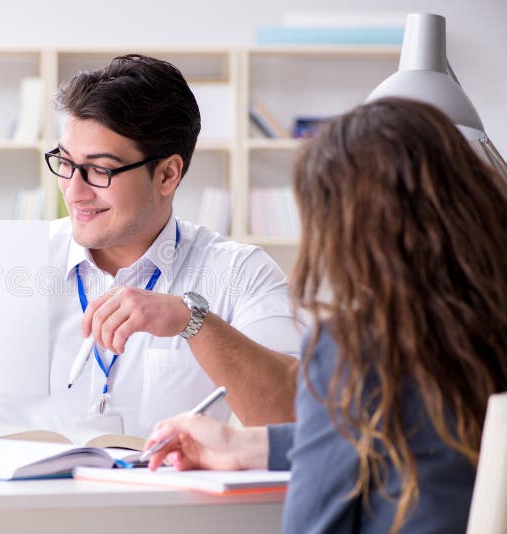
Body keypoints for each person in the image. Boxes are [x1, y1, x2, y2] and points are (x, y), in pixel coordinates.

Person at [0, 54, 303, 437]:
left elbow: (288, 417)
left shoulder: (241, 274)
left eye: (100, 170)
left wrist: (191, 320)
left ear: (168, 173)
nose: (73, 190)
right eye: (66, 163)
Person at [144, 98, 507, 533]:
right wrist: (245, 444)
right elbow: (400, 438)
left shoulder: (356, 349)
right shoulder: (480, 326)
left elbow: (315, 523)